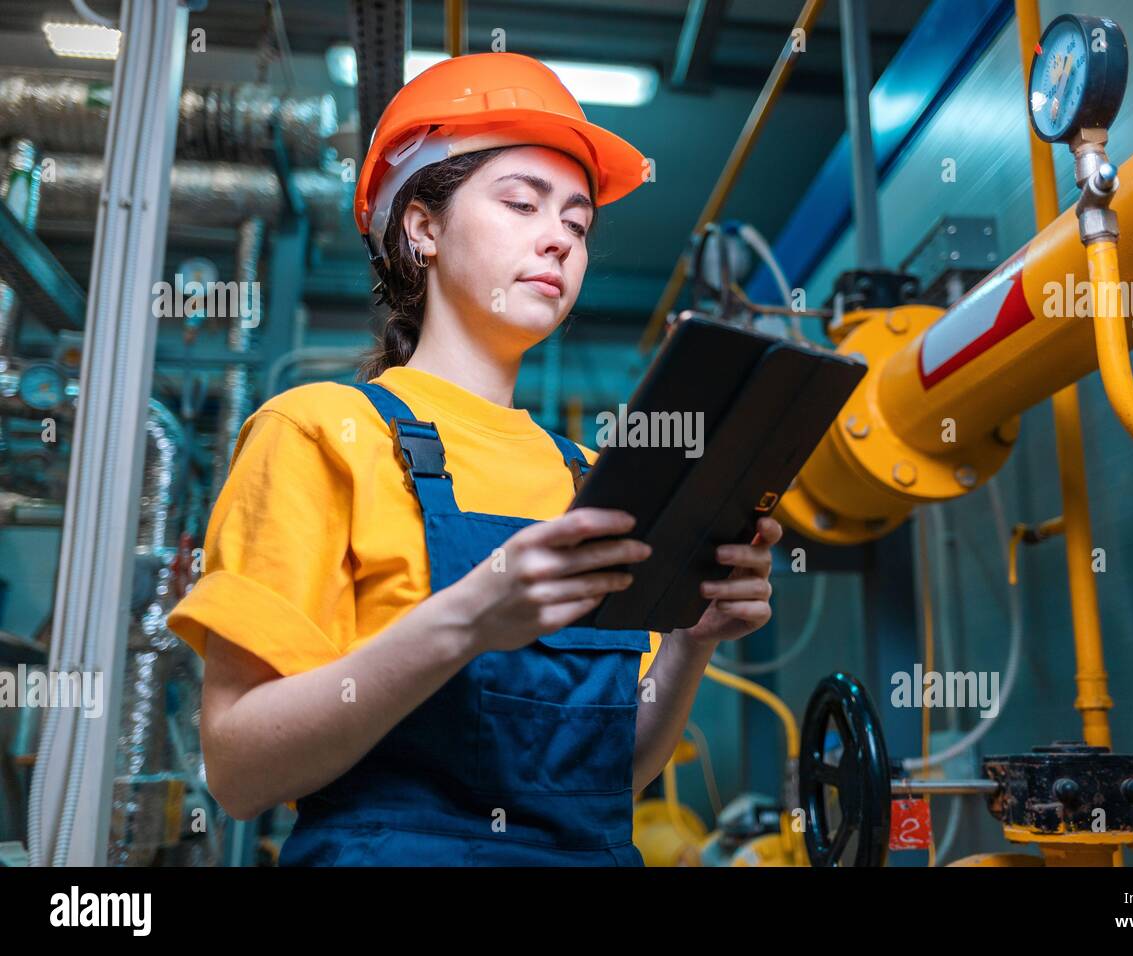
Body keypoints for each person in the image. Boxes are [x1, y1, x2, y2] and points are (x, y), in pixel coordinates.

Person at [167, 51, 780, 866]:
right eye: (522, 203)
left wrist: (690, 643)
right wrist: (466, 619)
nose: (558, 239)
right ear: (422, 228)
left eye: (577, 225)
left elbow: (613, 779)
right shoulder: (320, 431)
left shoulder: (591, 476)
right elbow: (239, 772)